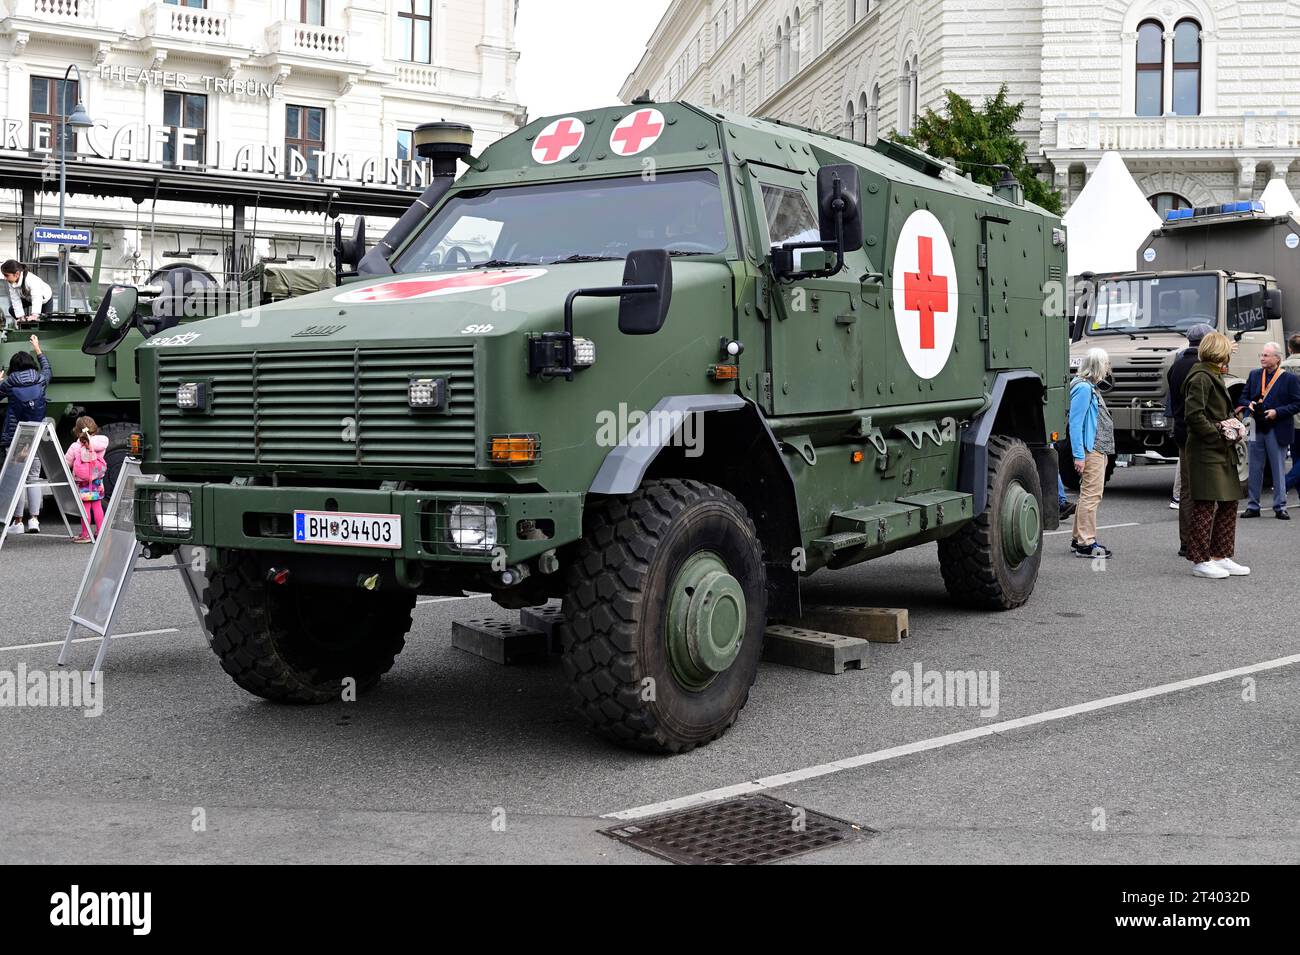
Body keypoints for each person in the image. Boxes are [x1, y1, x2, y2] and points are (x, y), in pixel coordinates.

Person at [1182, 331, 1249, 578]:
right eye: (1227, 350)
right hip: (1206, 450)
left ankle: (1221, 555)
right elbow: (1194, 415)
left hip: (1218, 449)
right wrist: (1220, 431)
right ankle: (1200, 560)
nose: (1230, 353)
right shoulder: (1201, 376)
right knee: (1205, 503)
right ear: (1218, 352)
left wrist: (1233, 422)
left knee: (1229, 500)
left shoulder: (1210, 372)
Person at [1236, 341, 1300, 520]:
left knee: (1278, 468)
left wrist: (1277, 412)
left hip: (1277, 427)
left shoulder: (1289, 379)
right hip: (1256, 425)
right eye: (1261, 355)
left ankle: (1280, 506)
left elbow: (1297, 403)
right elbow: (1242, 397)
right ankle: (1253, 505)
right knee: (1254, 467)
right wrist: (1248, 403)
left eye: (1266, 355)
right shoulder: (1255, 375)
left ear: (1277, 359)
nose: (1262, 358)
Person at [1167, 323, 1215, 554]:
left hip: (1180, 431)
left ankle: (1185, 541)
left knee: (1186, 490)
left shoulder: (1176, 365)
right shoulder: (1201, 368)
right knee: (1204, 489)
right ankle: (1200, 540)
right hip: (1199, 434)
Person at [0, 335, 51, 535]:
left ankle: (18, 521)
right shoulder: (40, 379)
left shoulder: (9, 383)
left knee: (17, 478)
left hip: (17, 436)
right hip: (36, 433)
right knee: (34, 477)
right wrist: (38, 349)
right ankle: (35, 520)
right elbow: (48, 370)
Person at [1068, 347, 1114, 558]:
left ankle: (1079, 538)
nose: (1107, 368)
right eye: (1105, 364)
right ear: (1097, 366)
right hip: (1091, 449)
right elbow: (1075, 423)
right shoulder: (1084, 389)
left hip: (1096, 448)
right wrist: (1079, 455)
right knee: (1092, 495)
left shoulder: (1088, 387)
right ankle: (1086, 542)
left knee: (1088, 494)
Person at [65, 415, 108, 543]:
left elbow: (67, 462)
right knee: (97, 506)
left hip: (82, 482)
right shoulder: (101, 443)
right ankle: (100, 532)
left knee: (85, 508)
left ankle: (86, 534)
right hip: (97, 481)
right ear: (94, 428)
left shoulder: (75, 447)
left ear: (77, 431)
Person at [2, 259, 52, 328]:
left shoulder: (31, 280)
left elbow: (37, 298)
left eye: (6, 275)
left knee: (45, 323)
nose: (4, 278)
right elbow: (15, 299)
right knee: (12, 310)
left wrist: (35, 315)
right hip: (29, 298)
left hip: (44, 298)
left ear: (16, 274)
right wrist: (20, 317)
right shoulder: (11, 282)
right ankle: (26, 328)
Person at [1282, 333, 1300, 500]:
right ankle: (1285, 483)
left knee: (1296, 456)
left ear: (1289, 348)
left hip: (1289, 417)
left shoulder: (1282, 367)